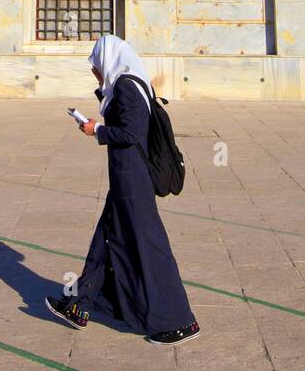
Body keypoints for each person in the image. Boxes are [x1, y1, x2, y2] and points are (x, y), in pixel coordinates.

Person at [46, 33, 200, 347]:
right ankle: (79, 303)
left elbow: (130, 131)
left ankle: (180, 320)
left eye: (96, 66)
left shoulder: (128, 85)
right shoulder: (130, 82)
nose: (95, 72)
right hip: (126, 176)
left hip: (133, 179)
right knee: (107, 239)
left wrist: (96, 130)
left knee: (148, 244)